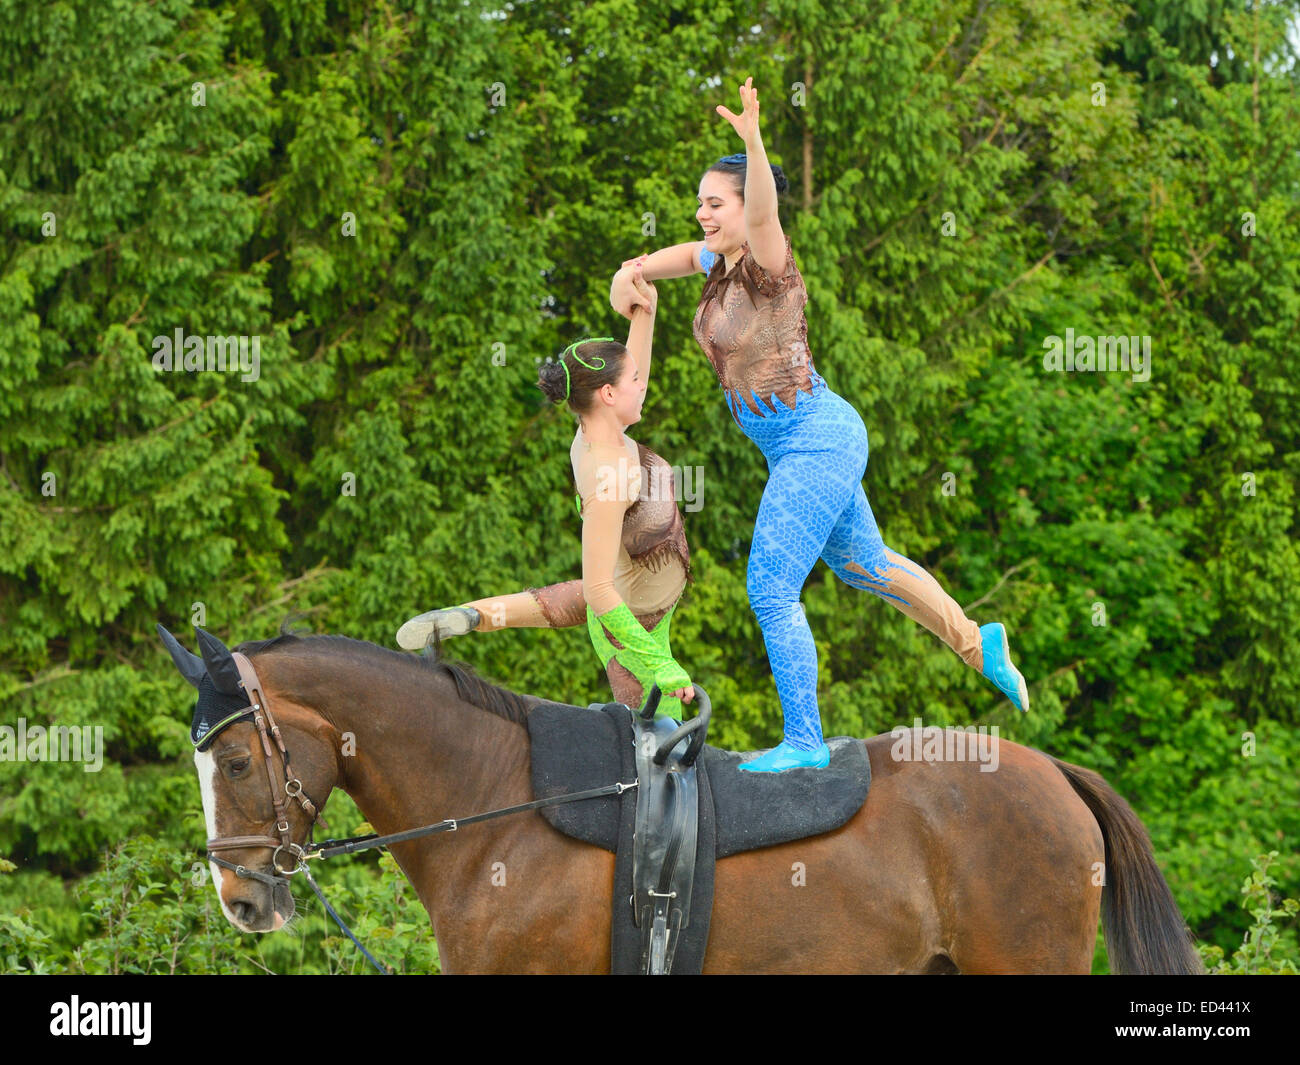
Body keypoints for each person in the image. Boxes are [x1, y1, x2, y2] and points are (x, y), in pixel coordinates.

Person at [609, 77, 1029, 772]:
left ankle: (805, 739)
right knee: (866, 565)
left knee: (770, 585)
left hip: (818, 438)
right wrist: (633, 270)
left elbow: (768, 215)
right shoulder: (718, 261)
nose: (703, 215)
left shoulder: (769, 265)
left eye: (715, 204)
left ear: (747, 209)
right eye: (700, 204)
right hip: (799, 447)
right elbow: (681, 256)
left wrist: (753, 139)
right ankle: (975, 640)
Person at [398, 266, 696, 720]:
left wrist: (644, 313)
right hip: (632, 628)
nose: (644, 386)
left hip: (638, 599)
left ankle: (470, 615)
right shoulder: (608, 473)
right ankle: (472, 616)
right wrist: (658, 663)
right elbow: (599, 592)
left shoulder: (600, 427)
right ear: (610, 394)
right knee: (661, 754)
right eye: (635, 380)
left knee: (557, 601)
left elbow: (628, 375)